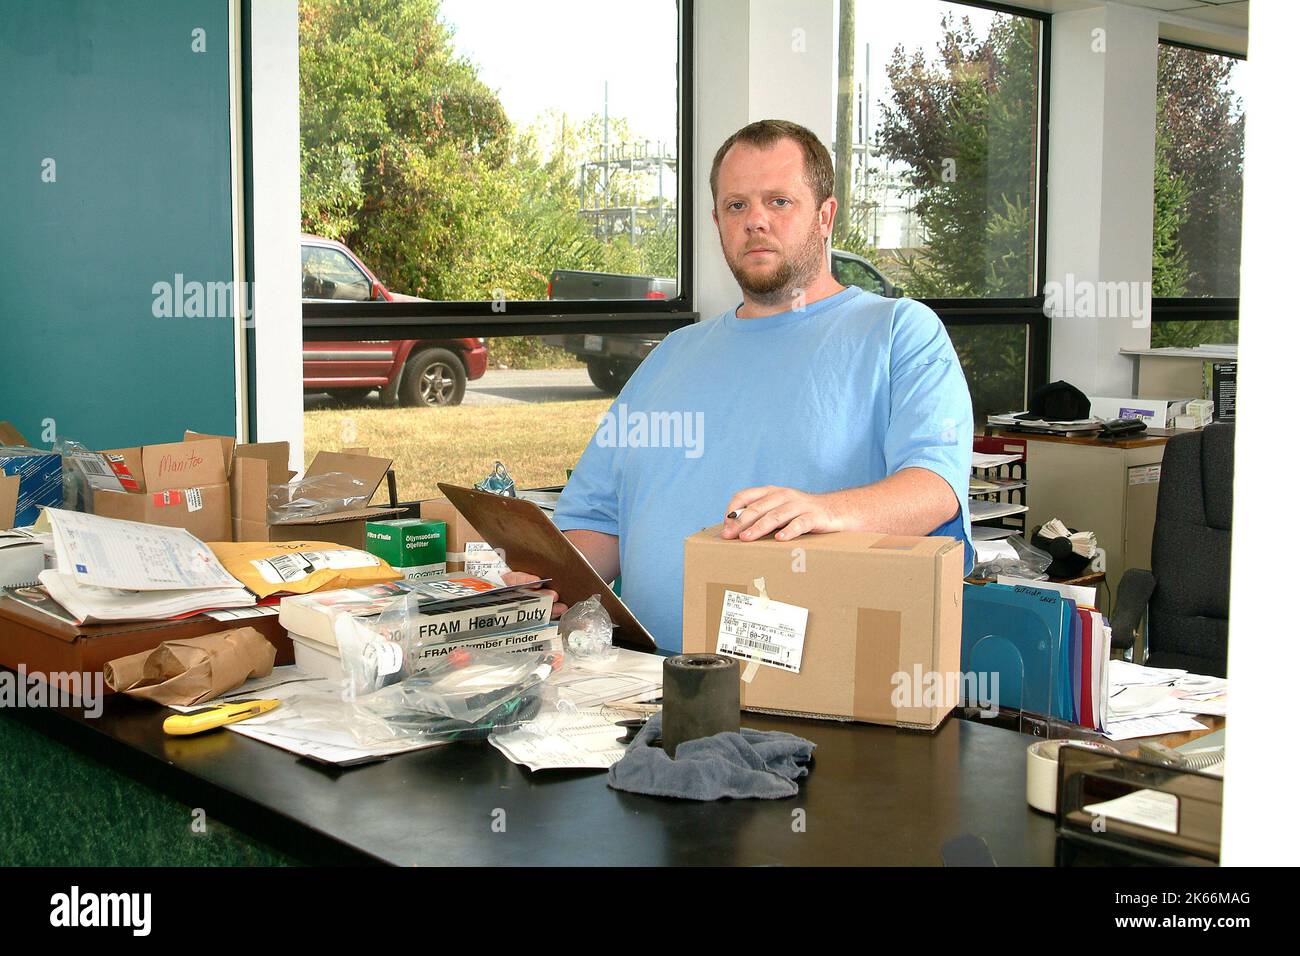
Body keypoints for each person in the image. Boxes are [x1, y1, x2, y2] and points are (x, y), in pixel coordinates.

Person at [507, 119, 974, 652]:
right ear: (716, 222)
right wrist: (548, 582)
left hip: (805, 696)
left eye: (779, 202)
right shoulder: (674, 355)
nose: (755, 221)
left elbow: (935, 488)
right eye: (736, 206)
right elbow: (599, 522)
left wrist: (826, 511)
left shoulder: (897, 332)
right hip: (642, 686)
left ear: (825, 216)